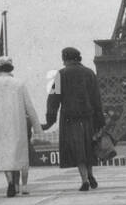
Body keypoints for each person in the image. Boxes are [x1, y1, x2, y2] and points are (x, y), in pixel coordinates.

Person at [42, 46, 104, 191]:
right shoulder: (90, 73)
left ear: (65, 58)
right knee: (88, 147)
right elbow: (97, 99)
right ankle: (90, 174)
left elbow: (53, 100)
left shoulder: (60, 75)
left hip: (70, 118)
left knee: (77, 149)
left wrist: (50, 120)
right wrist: (99, 121)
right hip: (88, 117)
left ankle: (84, 180)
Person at [0, 55, 39, 197]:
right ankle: (23, 185)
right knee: (20, 155)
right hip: (18, 125)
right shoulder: (19, 84)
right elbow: (29, 106)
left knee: (5, 156)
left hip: (0, 126)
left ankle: (10, 182)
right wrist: (37, 126)